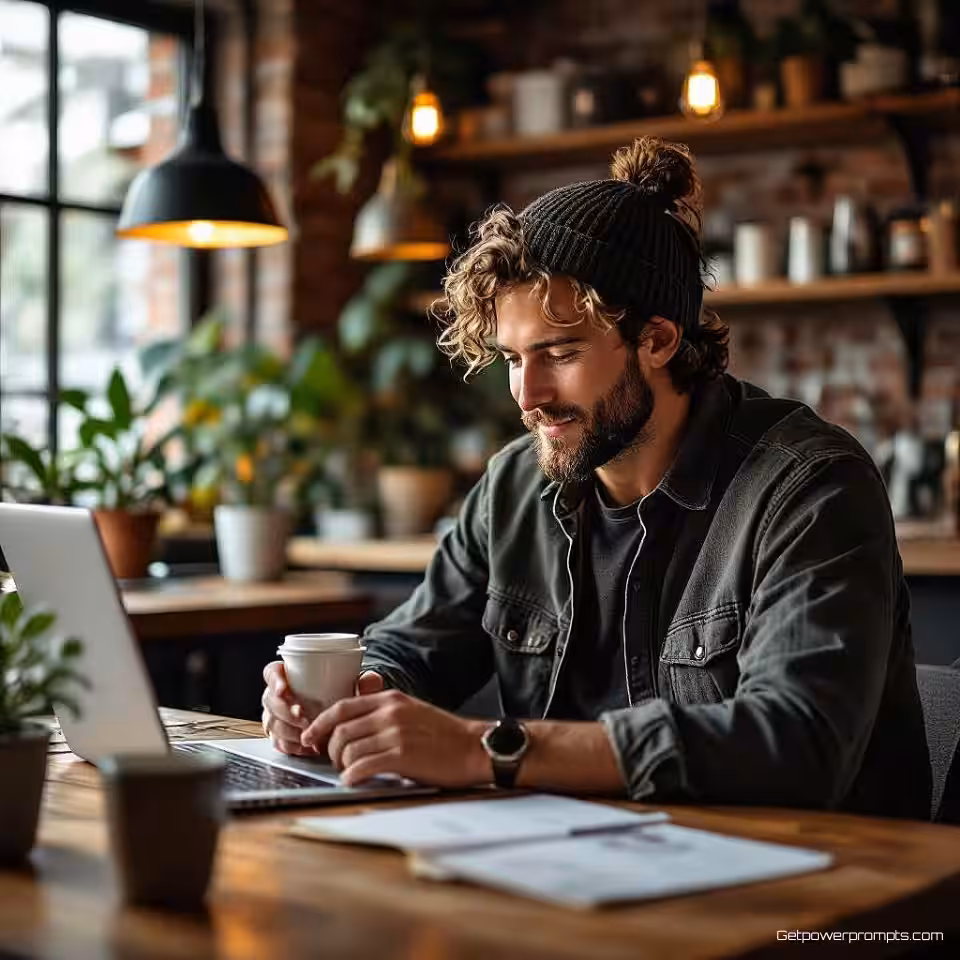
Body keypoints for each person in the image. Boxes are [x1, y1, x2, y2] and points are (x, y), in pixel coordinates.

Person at [263, 137, 930, 818]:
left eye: (559, 353)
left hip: (823, 890)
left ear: (660, 340)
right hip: (583, 868)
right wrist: (356, 696)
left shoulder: (810, 487)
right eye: (514, 359)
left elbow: (799, 743)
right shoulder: (514, 486)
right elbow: (416, 642)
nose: (527, 396)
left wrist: (492, 749)